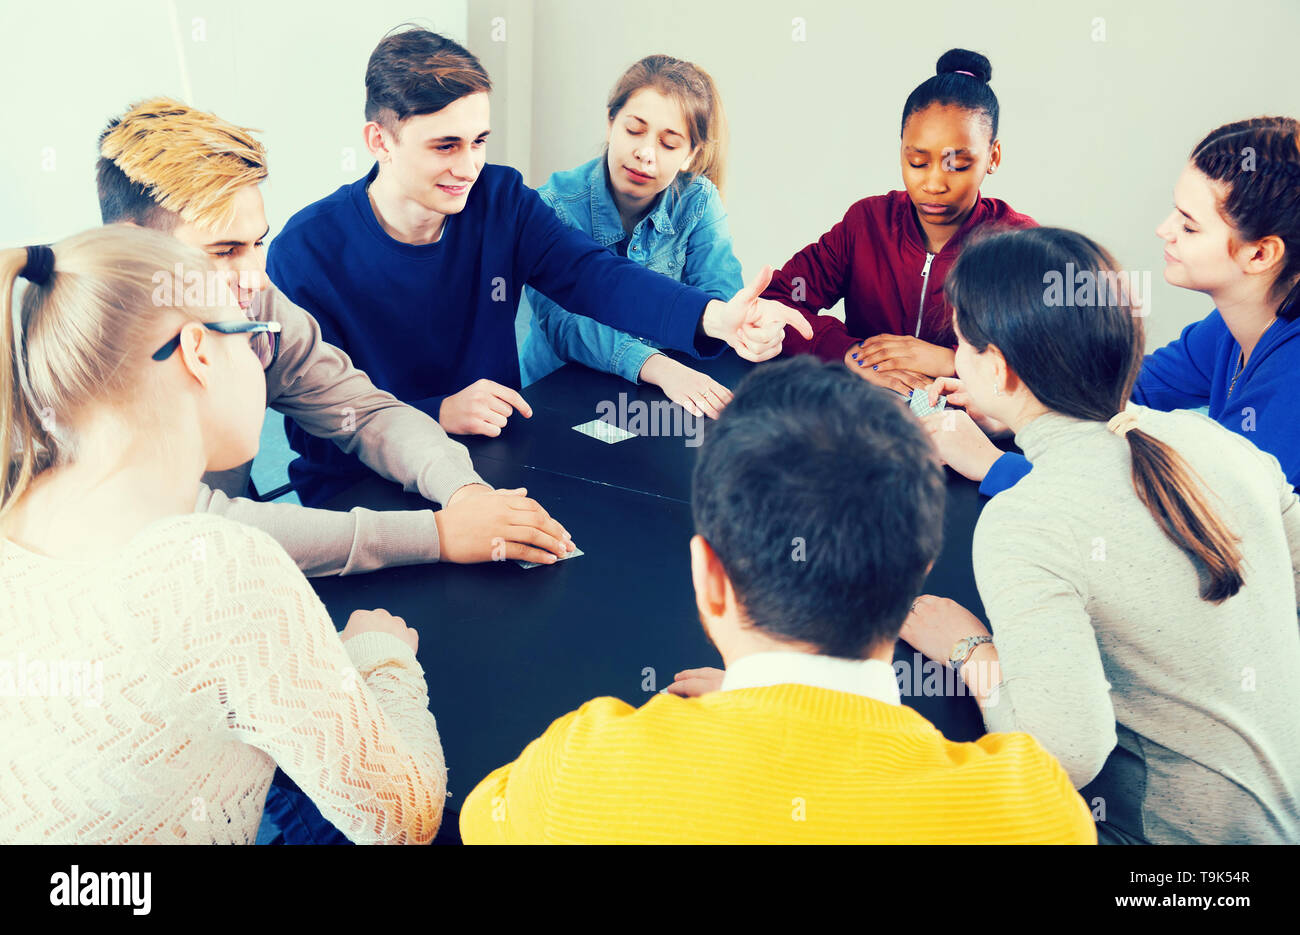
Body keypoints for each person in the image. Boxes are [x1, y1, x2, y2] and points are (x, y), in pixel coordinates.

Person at [459, 357, 1096, 844]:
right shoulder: (1036, 810)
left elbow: (469, 816)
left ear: (709, 579)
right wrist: (976, 655)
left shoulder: (578, 769)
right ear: (920, 571)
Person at [0, 227, 446, 843]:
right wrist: (378, 656)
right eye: (254, 335)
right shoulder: (217, 572)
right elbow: (404, 817)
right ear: (200, 353)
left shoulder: (17, 502)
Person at [267, 27, 810, 507]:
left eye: (479, 141)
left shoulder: (500, 198)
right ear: (378, 139)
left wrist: (715, 317)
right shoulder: (306, 252)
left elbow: (593, 276)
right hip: (364, 490)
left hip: (488, 459)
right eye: (445, 146)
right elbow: (317, 423)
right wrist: (437, 412)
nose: (468, 167)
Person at [901, 227, 1300, 844]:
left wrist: (969, 650)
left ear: (1000, 369)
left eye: (959, 342)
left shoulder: (1026, 519)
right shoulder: (1226, 446)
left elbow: (1060, 757)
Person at [97, 96, 577, 573]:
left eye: (256, 243)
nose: (256, 277)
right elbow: (201, 526)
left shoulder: (254, 307)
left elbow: (363, 413)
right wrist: (439, 536)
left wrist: (463, 491)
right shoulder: (85, 356)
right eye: (224, 251)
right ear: (135, 248)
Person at [931, 116, 1300, 494]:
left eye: (1189, 226)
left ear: (1260, 254)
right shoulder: (1229, 326)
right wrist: (1020, 411)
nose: (1164, 230)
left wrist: (994, 465)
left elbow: (1213, 514)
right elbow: (1128, 392)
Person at [761, 48, 1035, 394]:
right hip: (867, 415)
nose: (934, 184)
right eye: (918, 162)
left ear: (992, 156)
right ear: (902, 150)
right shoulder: (867, 224)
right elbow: (776, 303)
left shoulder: (1020, 244)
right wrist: (851, 354)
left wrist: (951, 360)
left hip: (976, 432)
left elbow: (1052, 354)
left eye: (958, 165)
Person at [518, 54, 743, 419]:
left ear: (691, 155)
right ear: (610, 123)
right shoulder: (552, 205)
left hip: (662, 392)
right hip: (560, 393)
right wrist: (660, 368)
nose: (645, 154)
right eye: (634, 130)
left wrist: (746, 326)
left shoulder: (699, 199)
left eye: (669, 144)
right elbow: (566, 325)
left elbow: (720, 304)